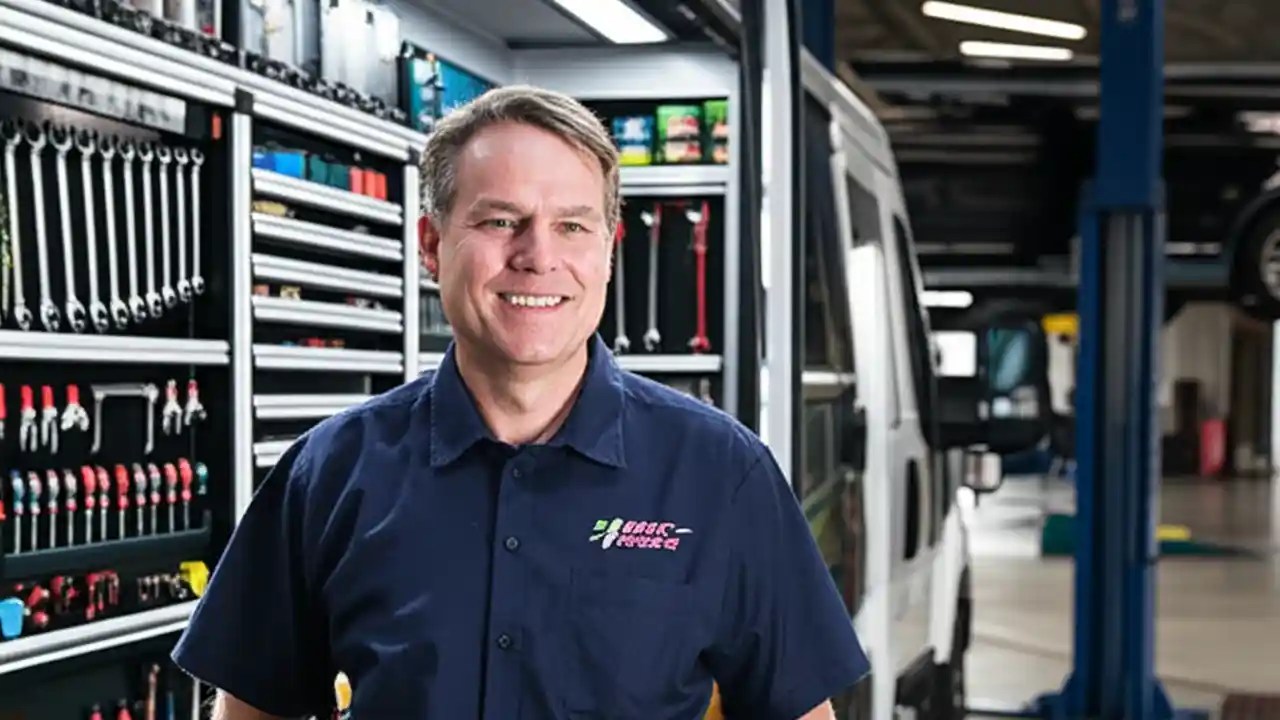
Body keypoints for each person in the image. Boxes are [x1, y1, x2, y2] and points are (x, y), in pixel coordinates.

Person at [172, 84, 869, 719]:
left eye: (572, 226)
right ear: (432, 245)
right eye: (502, 221)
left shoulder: (722, 474)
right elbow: (251, 710)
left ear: (607, 250)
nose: (538, 256)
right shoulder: (329, 473)